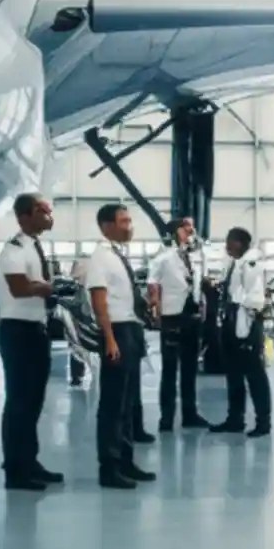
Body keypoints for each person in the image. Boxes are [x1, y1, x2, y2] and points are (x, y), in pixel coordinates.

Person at [85, 203, 157, 489]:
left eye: (129, 221)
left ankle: (126, 461)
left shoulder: (118, 255)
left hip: (131, 329)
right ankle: (110, 467)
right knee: (113, 404)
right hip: (116, 330)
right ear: (106, 226)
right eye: (123, 221)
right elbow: (99, 300)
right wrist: (110, 338)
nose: (129, 226)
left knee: (128, 403)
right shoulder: (100, 257)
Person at [0, 194, 62, 491]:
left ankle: (29, 461)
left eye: (49, 210)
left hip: (36, 328)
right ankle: (15, 471)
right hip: (17, 331)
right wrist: (49, 288)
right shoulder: (14, 249)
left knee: (34, 402)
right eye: (41, 210)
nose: (48, 215)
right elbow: (20, 288)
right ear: (24, 216)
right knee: (19, 402)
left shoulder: (35, 246)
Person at [148, 218, 211, 431]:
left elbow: (197, 282)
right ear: (175, 232)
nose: (191, 231)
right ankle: (166, 418)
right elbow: (153, 284)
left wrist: (202, 302)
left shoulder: (195, 257)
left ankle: (189, 414)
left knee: (190, 368)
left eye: (192, 228)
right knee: (169, 369)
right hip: (172, 316)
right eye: (186, 228)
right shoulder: (163, 258)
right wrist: (156, 310)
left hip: (192, 316)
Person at [209, 227, 271, 438]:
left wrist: (236, 303)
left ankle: (263, 422)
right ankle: (235, 419)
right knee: (233, 374)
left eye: (230, 242)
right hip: (231, 321)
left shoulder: (252, 263)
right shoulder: (235, 263)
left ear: (240, 243)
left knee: (254, 374)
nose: (227, 246)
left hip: (247, 323)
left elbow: (255, 298)